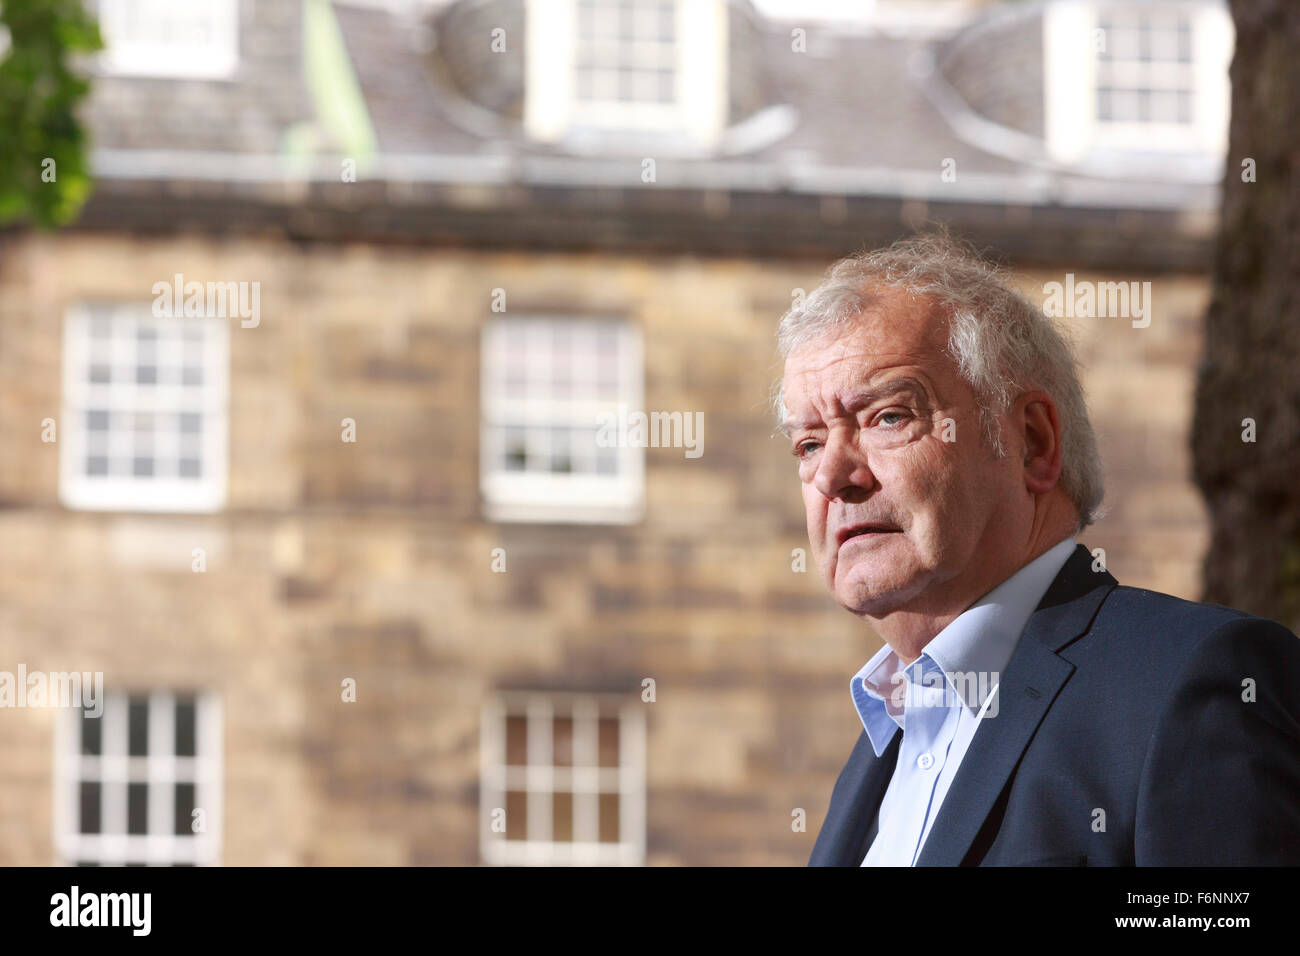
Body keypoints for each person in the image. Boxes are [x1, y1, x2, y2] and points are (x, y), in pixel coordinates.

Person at [774, 232, 1300, 866]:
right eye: (808, 444)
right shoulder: (881, 746)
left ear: (1032, 442)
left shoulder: (1189, 684)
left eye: (889, 416)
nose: (833, 475)